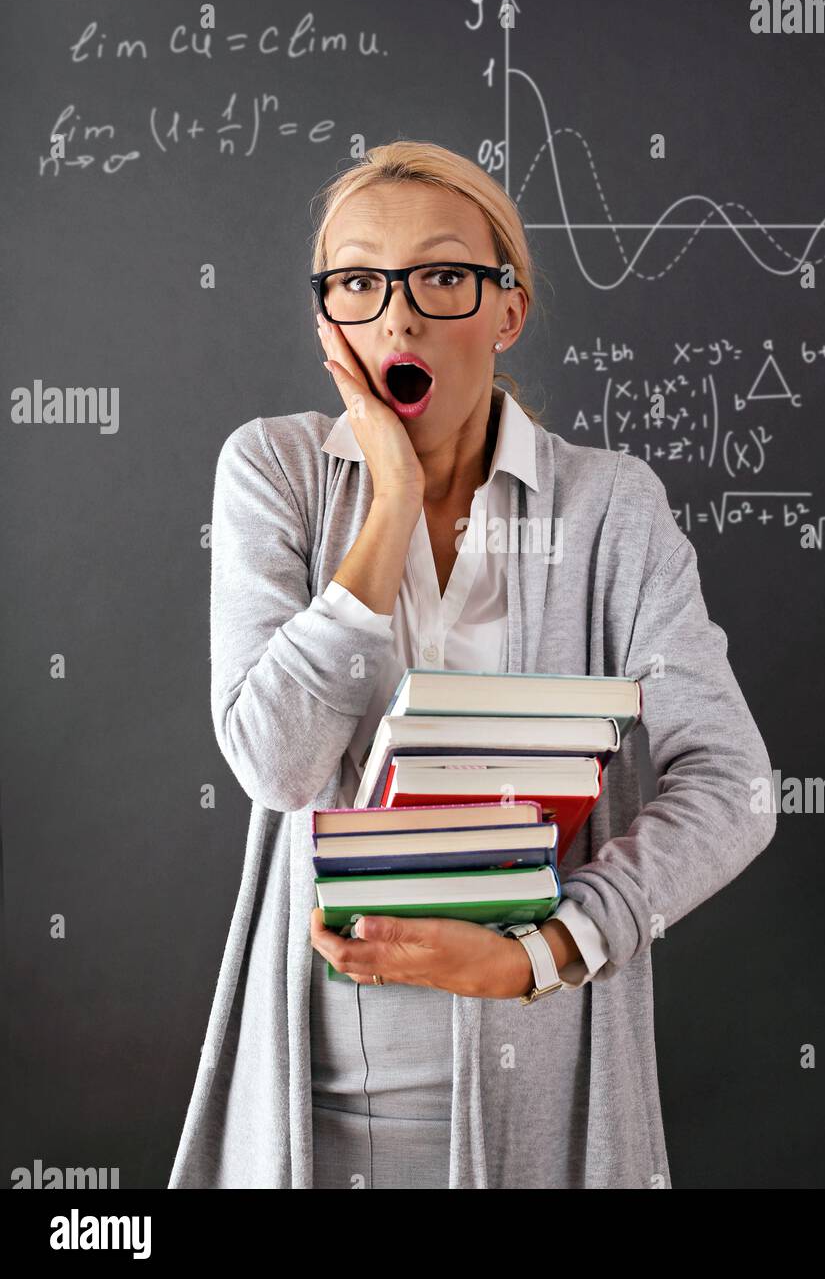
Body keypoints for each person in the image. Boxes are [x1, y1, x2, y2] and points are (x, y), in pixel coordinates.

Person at [168, 140, 776, 1190]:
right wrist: (391, 504)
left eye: (442, 277)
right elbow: (276, 765)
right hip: (313, 1118)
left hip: (548, 1109)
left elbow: (735, 786)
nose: (398, 316)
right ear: (328, 322)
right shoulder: (274, 470)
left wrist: (546, 950)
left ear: (507, 310)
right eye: (359, 281)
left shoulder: (609, 508)